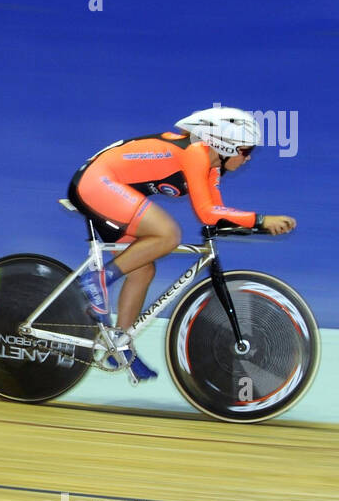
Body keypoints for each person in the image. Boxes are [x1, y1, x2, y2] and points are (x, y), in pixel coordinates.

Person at [67, 106, 297, 381]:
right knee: (168, 234)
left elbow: (217, 215)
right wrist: (260, 219)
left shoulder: (212, 168)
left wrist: (258, 225)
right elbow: (206, 213)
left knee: (143, 269)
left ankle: (119, 344)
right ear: (225, 145)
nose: (248, 158)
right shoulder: (196, 154)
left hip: (106, 186)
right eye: (246, 151)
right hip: (97, 183)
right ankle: (95, 281)